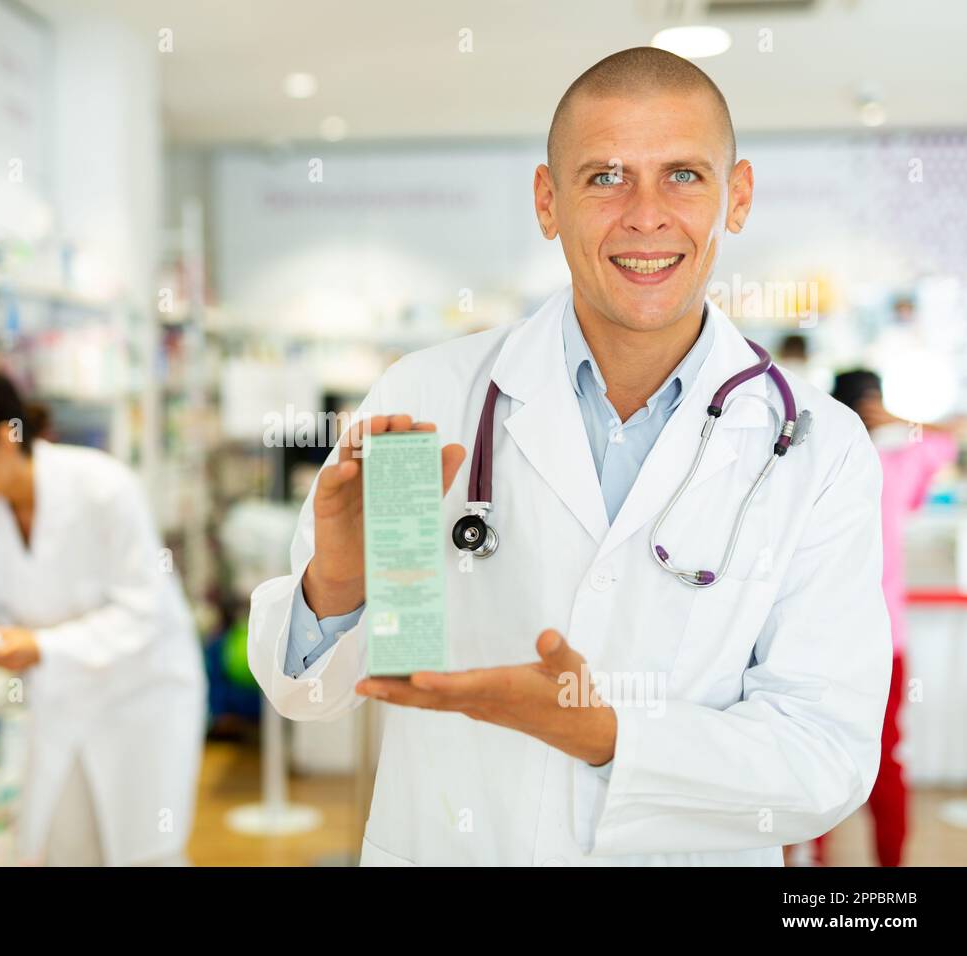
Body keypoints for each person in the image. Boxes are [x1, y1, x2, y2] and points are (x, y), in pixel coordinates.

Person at [248, 47, 892, 865]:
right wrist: (336, 588)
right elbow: (316, 693)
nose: (646, 214)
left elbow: (824, 757)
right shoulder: (429, 404)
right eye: (606, 176)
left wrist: (608, 734)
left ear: (739, 198)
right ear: (548, 201)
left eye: (685, 175)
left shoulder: (818, 447)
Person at [0, 370, 206, 866]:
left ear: (5, 438)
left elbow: (142, 614)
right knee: (64, 850)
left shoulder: (103, 487)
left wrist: (41, 648)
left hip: (142, 698)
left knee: (145, 854)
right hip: (63, 703)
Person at [794, 369, 959, 866]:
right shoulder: (900, 461)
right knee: (885, 759)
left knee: (806, 753)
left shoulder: (809, 460)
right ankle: (890, 868)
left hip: (817, 641)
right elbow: (952, 439)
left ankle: (812, 858)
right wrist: (903, 422)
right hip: (885, 642)